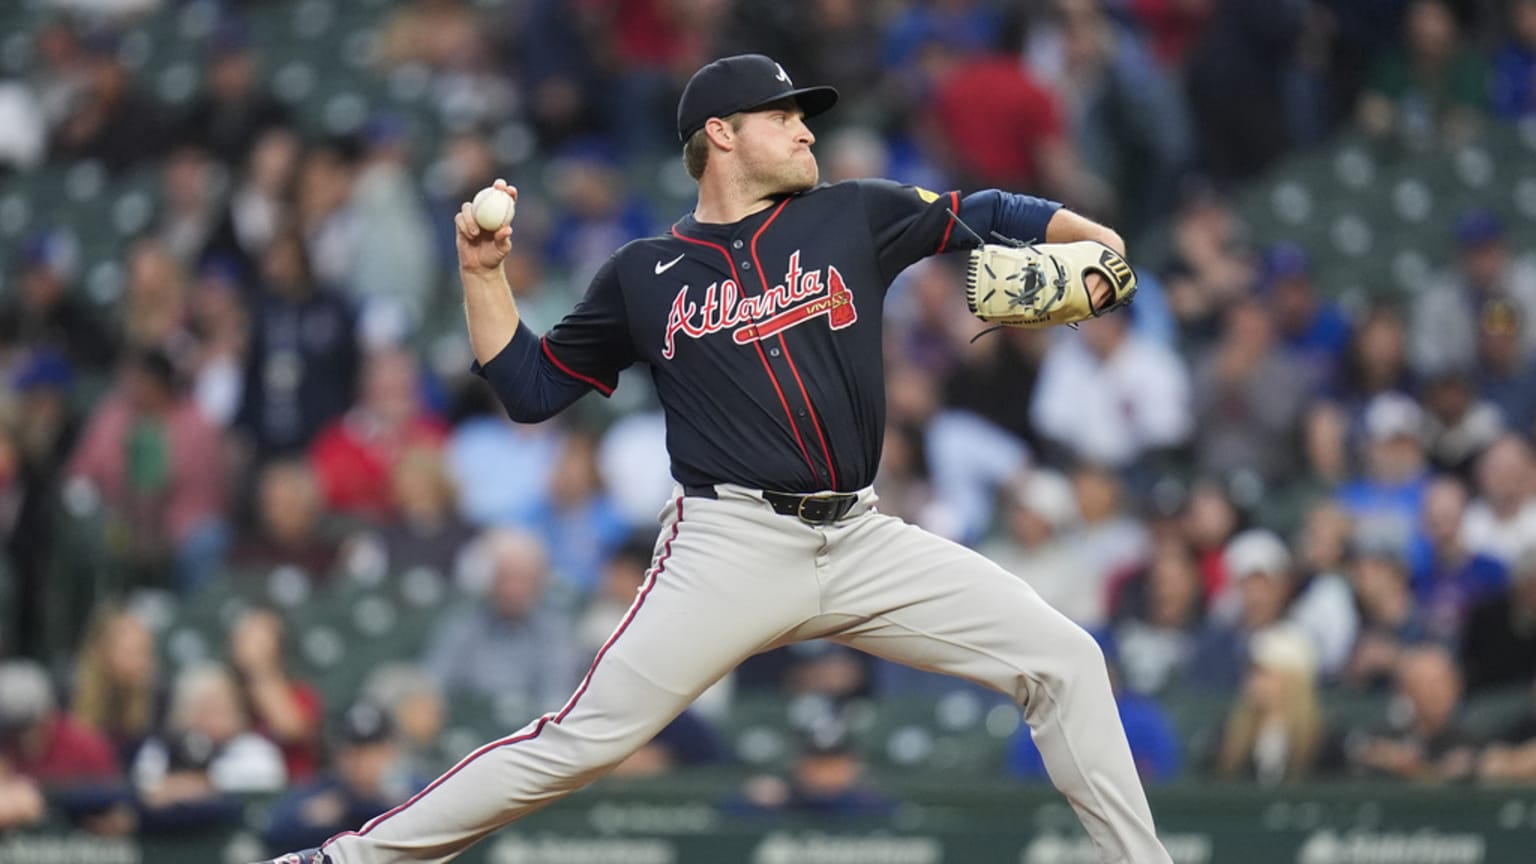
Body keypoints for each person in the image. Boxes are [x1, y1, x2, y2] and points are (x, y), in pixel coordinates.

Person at [259, 53, 1174, 864]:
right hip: (728, 546)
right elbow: (530, 391)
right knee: (580, 741)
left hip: (862, 539)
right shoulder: (644, 274)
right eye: (785, 115)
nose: (806, 126)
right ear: (722, 135)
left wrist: (1086, 236)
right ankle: (350, 861)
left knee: (1064, 658)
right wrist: (482, 277)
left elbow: (979, 211)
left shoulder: (855, 214)